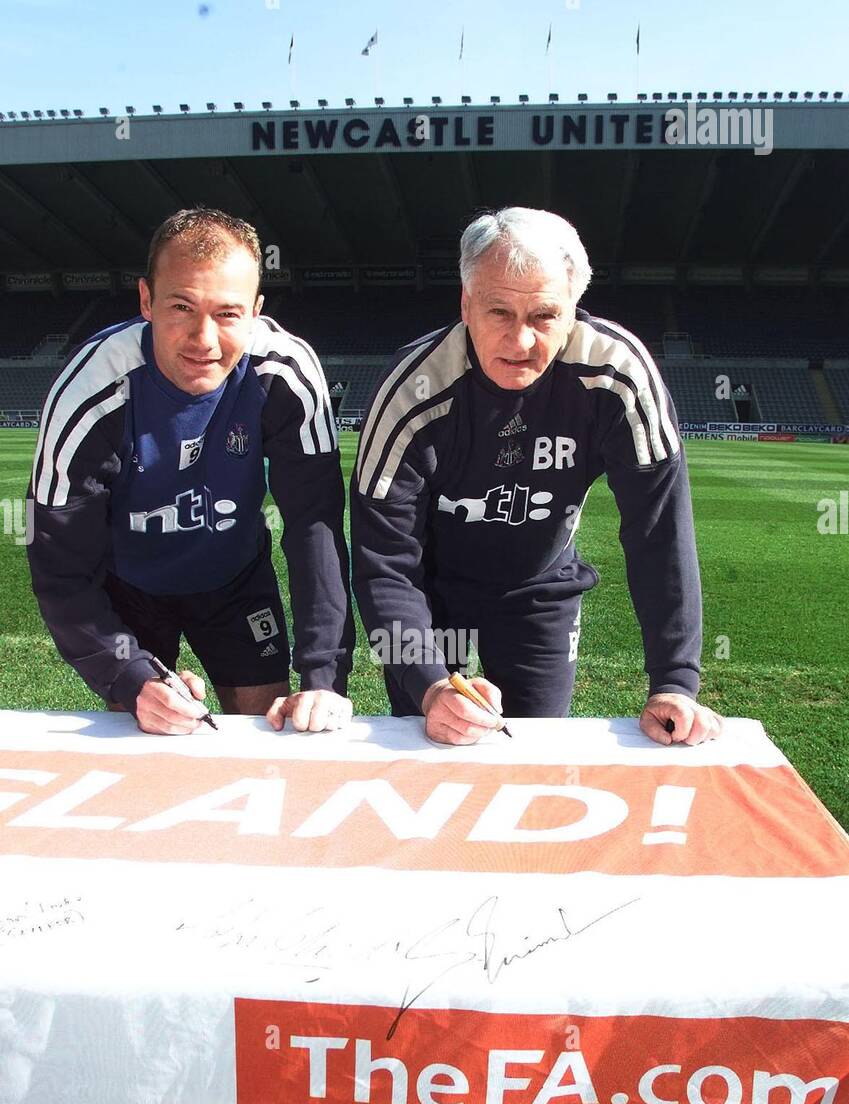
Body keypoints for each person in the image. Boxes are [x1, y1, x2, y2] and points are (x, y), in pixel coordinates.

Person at [350, 206, 722, 747]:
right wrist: (431, 686)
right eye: (498, 311)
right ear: (466, 304)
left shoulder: (617, 375)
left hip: (539, 587)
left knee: (534, 750)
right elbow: (384, 560)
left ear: (573, 311)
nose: (520, 341)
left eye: (544, 316)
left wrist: (675, 682)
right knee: (433, 739)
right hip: (429, 590)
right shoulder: (412, 392)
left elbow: (659, 531)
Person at [28, 208, 354, 735]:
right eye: (181, 306)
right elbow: (60, 567)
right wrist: (129, 674)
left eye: (228, 314)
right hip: (127, 587)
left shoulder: (284, 372)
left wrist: (323, 674)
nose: (203, 338)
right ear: (145, 302)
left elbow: (314, 524)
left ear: (255, 311)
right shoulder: (89, 392)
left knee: (266, 731)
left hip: (235, 579)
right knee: (146, 731)